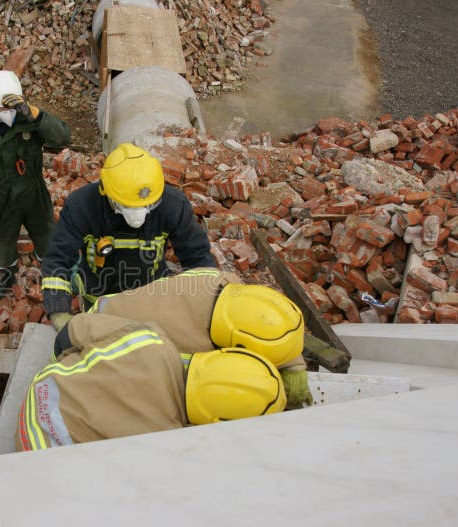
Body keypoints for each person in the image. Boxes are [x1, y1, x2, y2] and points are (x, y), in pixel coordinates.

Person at [16, 313, 286, 451]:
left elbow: (74, 330)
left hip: (45, 383)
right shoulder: (166, 437)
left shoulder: (154, 340)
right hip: (40, 449)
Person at [79, 267, 312, 409]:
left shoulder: (223, 283)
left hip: (111, 308)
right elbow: (195, 394)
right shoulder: (174, 346)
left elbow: (264, 318)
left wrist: (293, 363)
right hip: (92, 340)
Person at [41, 142, 216, 329]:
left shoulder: (172, 206)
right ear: (105, 191)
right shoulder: (82, 207)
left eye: (147, 206)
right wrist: (59, 312)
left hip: (150, 297)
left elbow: (198, 257)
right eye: (125, 206)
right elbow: (57, 260)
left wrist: (210, 305)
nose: (137, 217)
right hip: (98, 300)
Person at [0, 70, 71, 302]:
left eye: (11, 107)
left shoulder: (30, 121)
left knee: (46, 234)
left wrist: (35, 114)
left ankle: (51, 271)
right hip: (2, 197)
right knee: (3, 240)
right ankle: (7, 275)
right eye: (2, 109)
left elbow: (62, 138)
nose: (8, 113)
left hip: (34, 193)